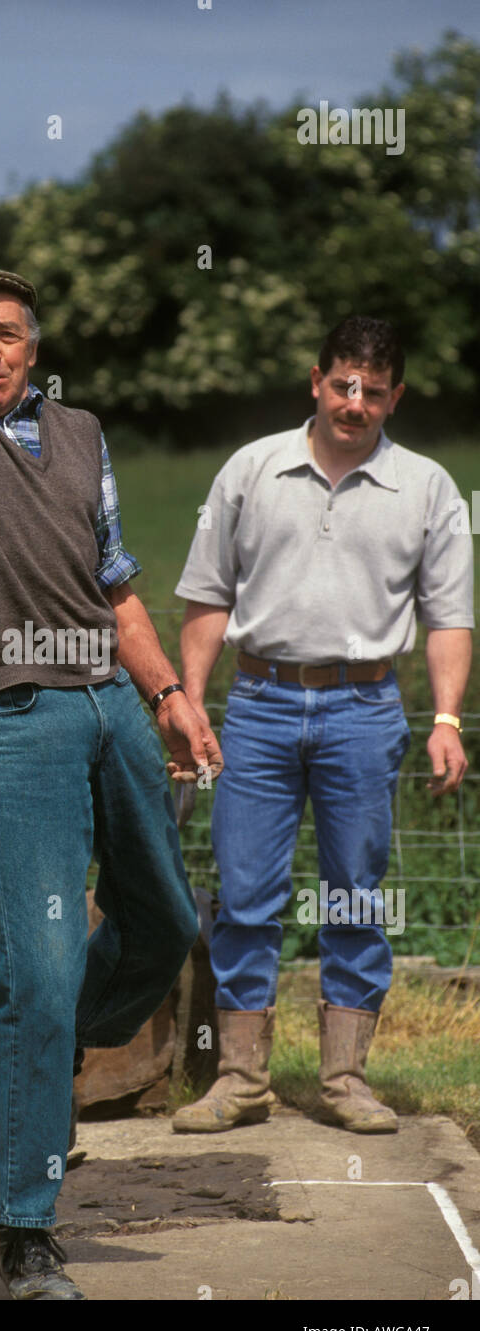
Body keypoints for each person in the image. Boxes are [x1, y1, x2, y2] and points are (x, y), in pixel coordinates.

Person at [0, 61, 223, 1300]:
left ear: (35, 346)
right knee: (38, 958)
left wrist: (173, 698)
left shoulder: (79, 436)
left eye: (5, 331)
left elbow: (120, 587)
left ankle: (37, 1067)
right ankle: (23, 1224)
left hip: (108, 707)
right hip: (7, 720)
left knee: (167, 925)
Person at [172, 316, 474, 1137]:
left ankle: (343, 1079)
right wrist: (188, 702)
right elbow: (207, 595)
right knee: (243, 892)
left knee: (354, 894)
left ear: (394, 397)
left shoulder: (428, 489)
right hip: (259, 704)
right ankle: (239, 1080)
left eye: (373, 391)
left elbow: (448, 618)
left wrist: (445, 717)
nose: (354, 402)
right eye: (342, 384)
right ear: (315, 380)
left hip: (364, 709)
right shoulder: (251, 469)